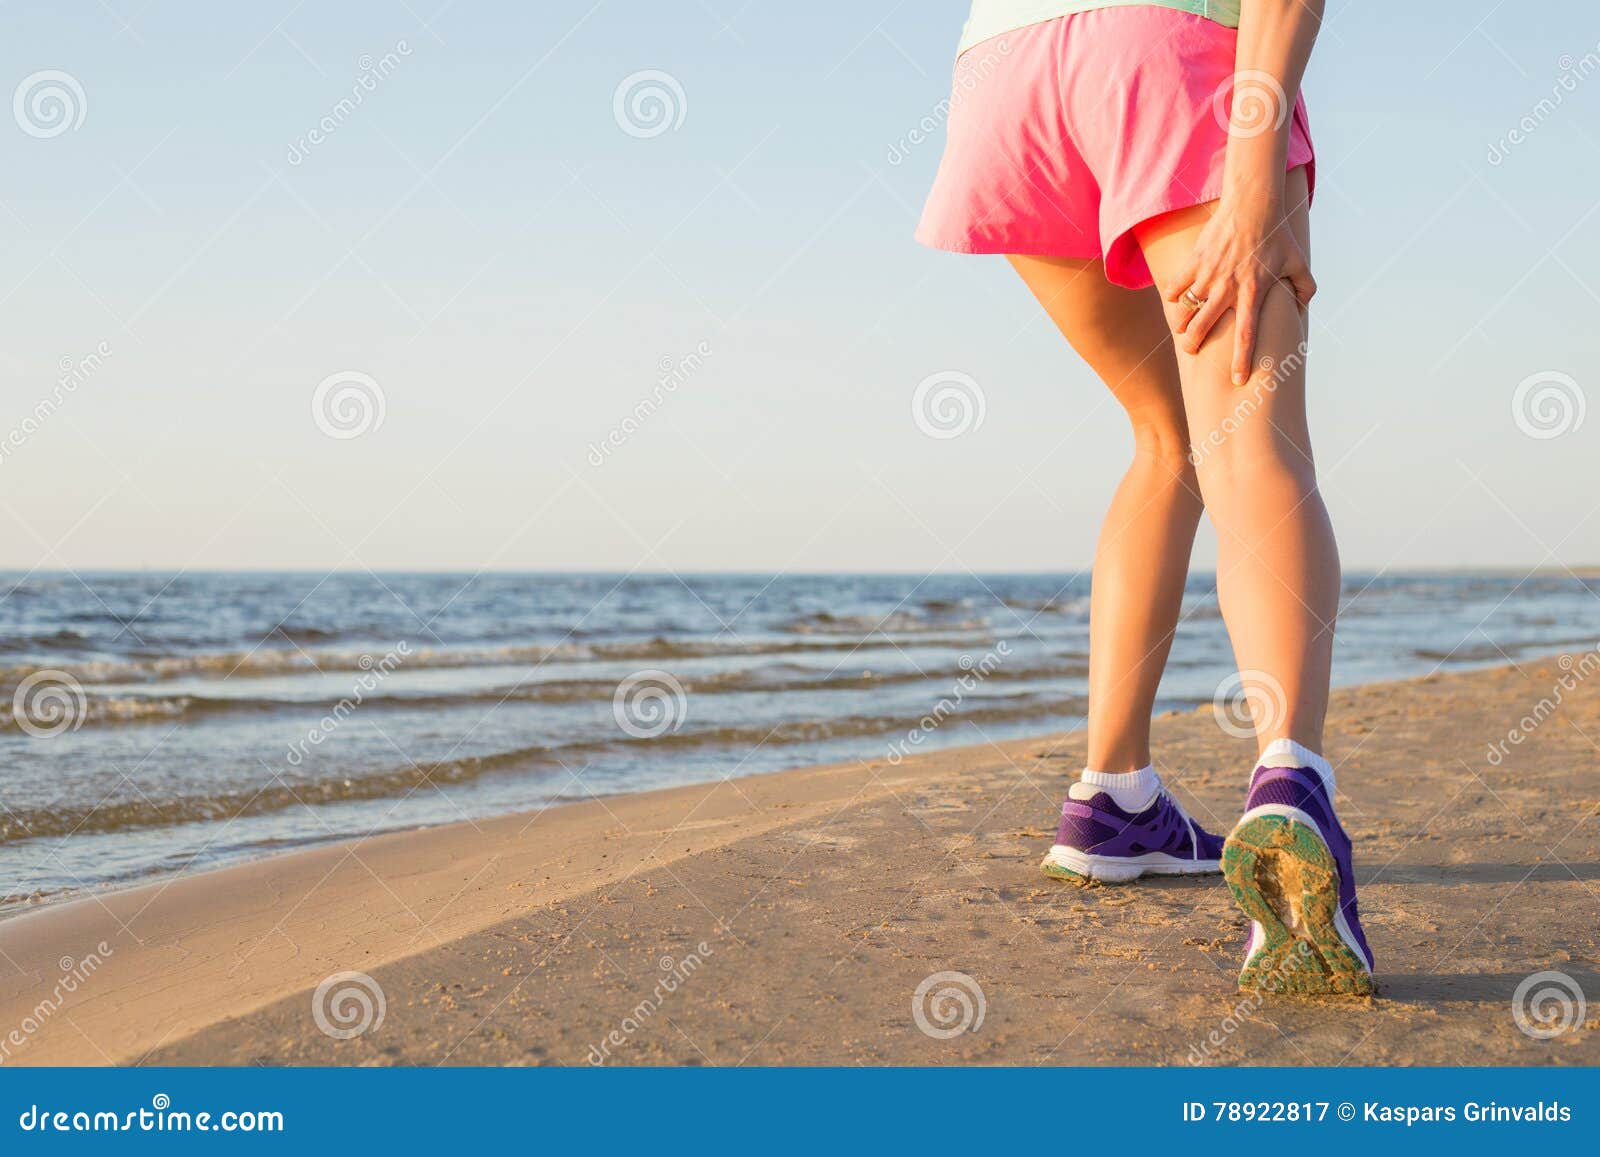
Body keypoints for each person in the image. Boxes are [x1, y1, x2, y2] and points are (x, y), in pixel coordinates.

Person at [916, 0, 1372, 995]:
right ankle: (1293, 782)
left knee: (1170, 436)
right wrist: (1252, 165)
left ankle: (1113, 797)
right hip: (1168, 51)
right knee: (1250, 430)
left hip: (1007, 70)